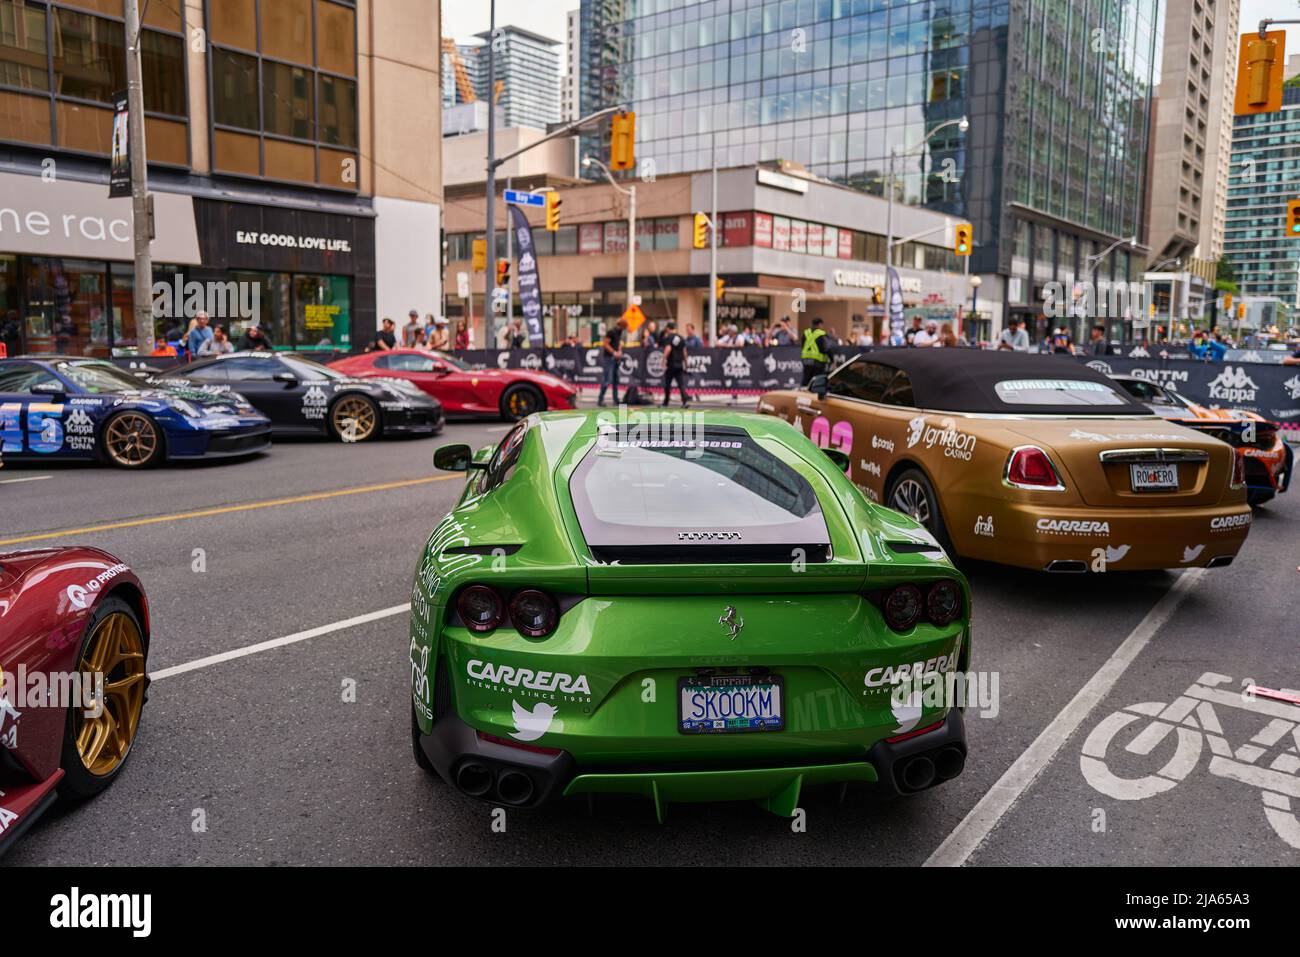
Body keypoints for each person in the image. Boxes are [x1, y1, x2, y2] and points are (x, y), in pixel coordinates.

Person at [597, 317, 626, 406]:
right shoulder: (611, 332)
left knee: (615, 379)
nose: (624, 329)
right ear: (621, 325)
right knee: (607, 379)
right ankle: (600, 399)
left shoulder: (619, 332)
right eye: (624, 327)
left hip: (615, 357)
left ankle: (616, 399)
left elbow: (618, 343)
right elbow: (605, 344)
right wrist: (614, 353)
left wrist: (619, 351)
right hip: (608, 358)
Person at [661, 321, 689, 407]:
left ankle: (666, 402)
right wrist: (686, 363)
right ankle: (685, 401)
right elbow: (684, 352)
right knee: (681, 384)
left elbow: (668, 349)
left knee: (667, 384)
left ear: (668, 328)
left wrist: (663, 360)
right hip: (679, 364)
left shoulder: (668, 337)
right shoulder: (681, 338)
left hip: (671, 364)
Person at [801, 317, 829, 386]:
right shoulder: (821, 334)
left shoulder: (806, 333)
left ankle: (803, 395)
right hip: (818, 362)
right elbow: (827, 348)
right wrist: (831, 359)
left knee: (806, 380)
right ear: (819, 324)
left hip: (806, 361)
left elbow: (802, 345)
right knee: (817, 382)